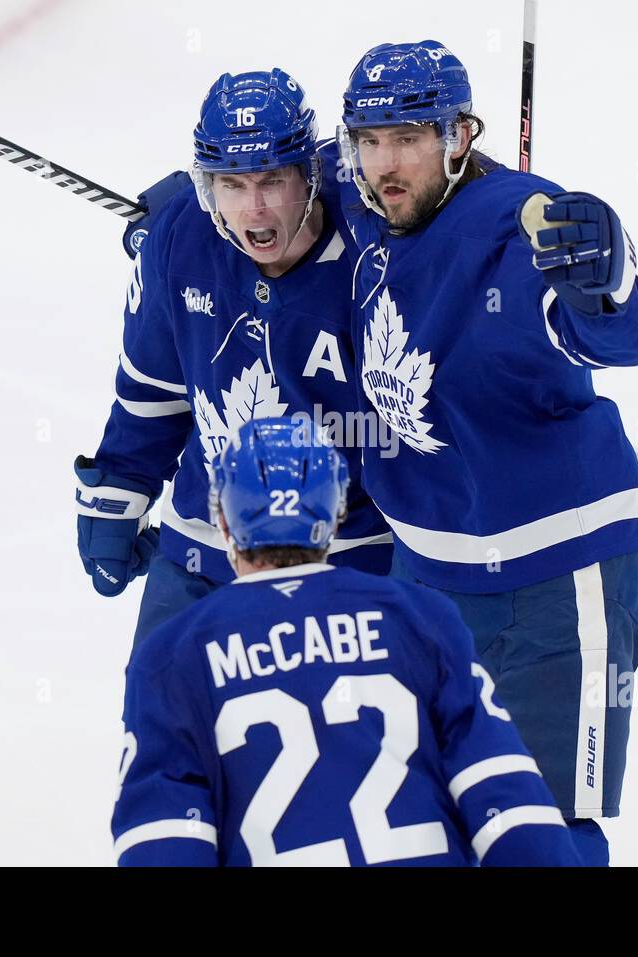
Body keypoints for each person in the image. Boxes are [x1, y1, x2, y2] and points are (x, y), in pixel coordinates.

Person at [334, 41, 638, 865]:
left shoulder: (519, 229)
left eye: (407, 137)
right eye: (369, 140)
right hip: (428, 580)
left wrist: (605, 282)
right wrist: (177, 216)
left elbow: (614, 332)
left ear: (461, 135)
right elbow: (275, 184)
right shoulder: (369, 204)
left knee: (543, 833)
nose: (384, 163)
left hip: (556, 583)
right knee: (418, 827)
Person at [112, 417, 579, 867]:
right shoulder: (420, 620)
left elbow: (164, 835)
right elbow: (506, 797)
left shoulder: (170, 656)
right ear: (336, 515)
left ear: (225, 523)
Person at [74, 69, 391, 647]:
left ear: (310, 175)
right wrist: (119, 485)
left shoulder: (376, 249)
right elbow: (153, 393)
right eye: (232, 185)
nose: (255, 210)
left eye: (272, 181)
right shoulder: (182, 239)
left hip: (348, 570)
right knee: (163, 732)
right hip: (202, 557)